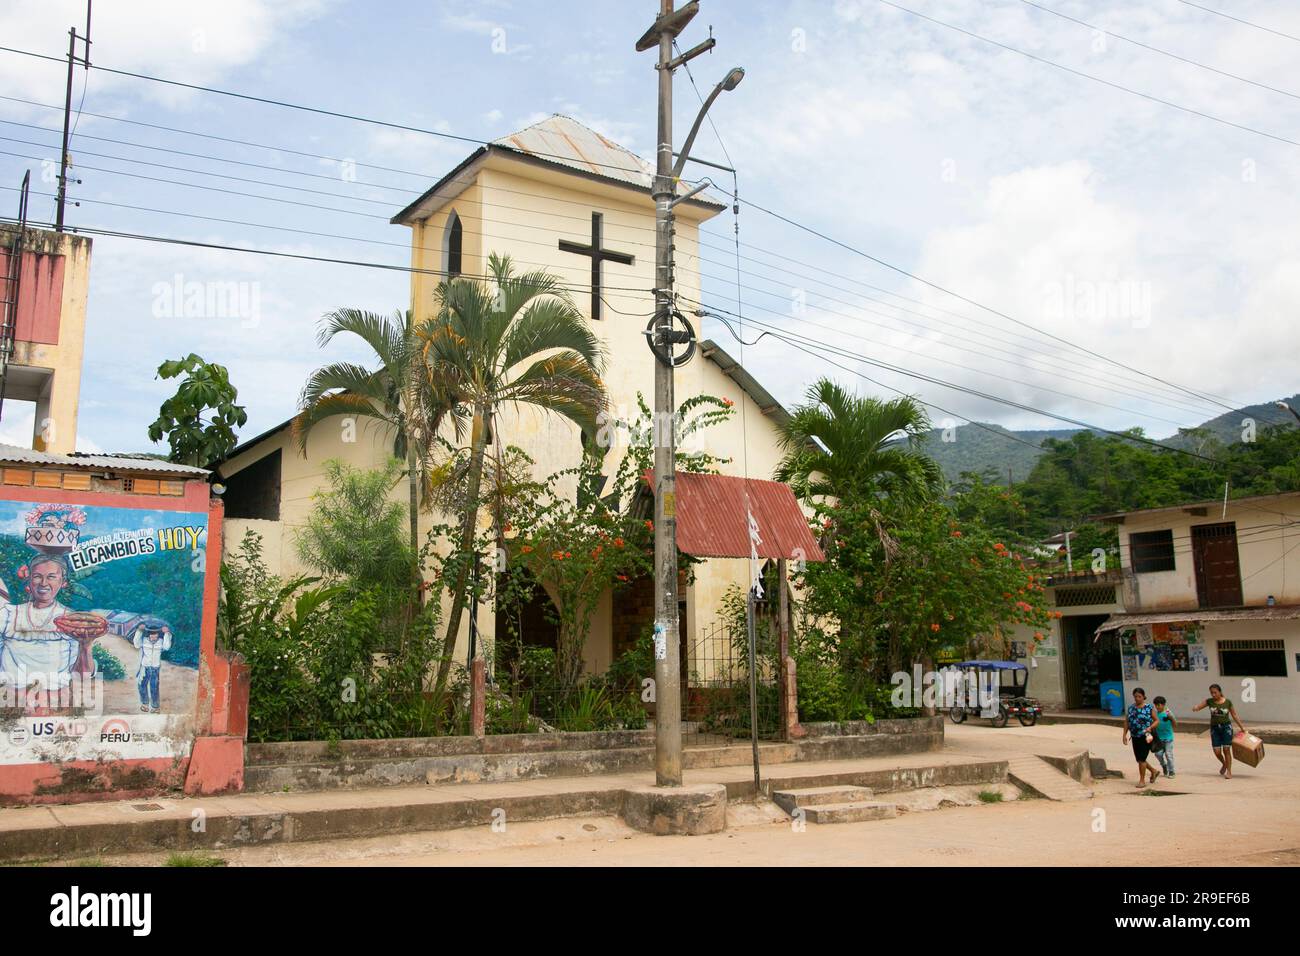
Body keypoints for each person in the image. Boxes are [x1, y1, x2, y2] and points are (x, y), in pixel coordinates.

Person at [0, 554, 79, 692]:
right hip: (10, 698)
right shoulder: (8, 614)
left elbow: (77, 669)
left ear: (63, 582)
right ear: (29, 579)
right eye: (37, 576)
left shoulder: (70, 619)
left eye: (51, 577)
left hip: (54, 699)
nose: (43, 583)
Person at [1191, 684, 1248, 779]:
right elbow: (1199, 706)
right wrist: (1195, 708)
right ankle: (1224, 763)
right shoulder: (1209, 701)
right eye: (1211, 693)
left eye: (1215, 692)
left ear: (1220, 692)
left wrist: (1242, 728)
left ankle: (1229, 771)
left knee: (1226, 750)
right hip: (1214, 729)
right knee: (1217, 751)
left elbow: (1234, 715)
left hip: (1226, 728)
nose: (1213, 695)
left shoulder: (1228, 702)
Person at [1122, 686, 1161, 787]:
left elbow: (1157, 720)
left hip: (1146, 736)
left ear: (1144, 697)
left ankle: (1142, 781)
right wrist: (1124, 735)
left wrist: (1150, 727)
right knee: (1139, 759)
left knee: (1142, 759)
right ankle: (1153, 771)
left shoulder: (1149, 708)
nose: (1137, 698)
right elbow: (1127, 721)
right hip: (1135, 737)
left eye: (1139, 696)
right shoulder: (1131, 708)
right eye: (1135, 696)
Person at [132, 621, 172, 714]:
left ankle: (155, 706)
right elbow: (136, 645)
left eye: (155, 635)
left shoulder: (161, 642)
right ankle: (145, 704)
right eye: (152, 635)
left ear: (158, 635)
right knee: (142, 685)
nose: (153, 637)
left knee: (154, 686)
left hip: (155, 668)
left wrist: (166, 633)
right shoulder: (144, 640)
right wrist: (139, 631)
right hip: (145, 666)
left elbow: (167, 647)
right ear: (148, 634)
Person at [1152, 695, 1176, 778]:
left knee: (1168, 755)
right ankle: (1164, 765)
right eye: (1156, 705)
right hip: (1159, 739)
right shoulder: (1155, 714)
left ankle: (1172, 771)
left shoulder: (1168, 713)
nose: (1157, 707)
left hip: (1168, 738)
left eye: (1159, 705)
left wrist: (1171, 718)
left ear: (1163, 704)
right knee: (1158, 754)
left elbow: (1175, 724)